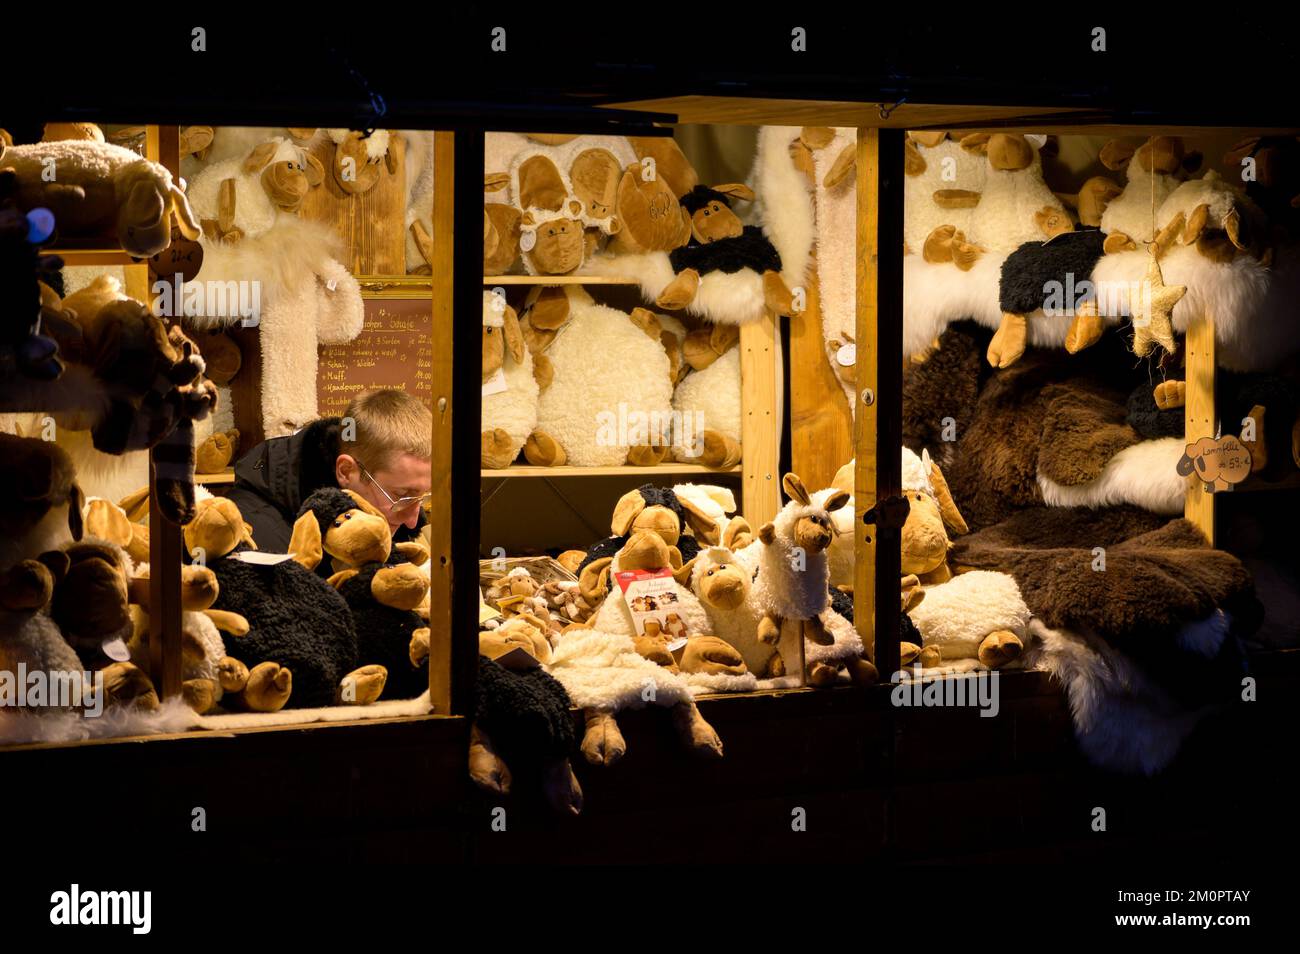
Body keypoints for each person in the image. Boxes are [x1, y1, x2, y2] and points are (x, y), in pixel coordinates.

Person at [226, 388, 433, 553]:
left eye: (421, 498)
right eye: (402, 496)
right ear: (345, 471)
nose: (413, 521)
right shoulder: (247, 538)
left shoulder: (400, 525)